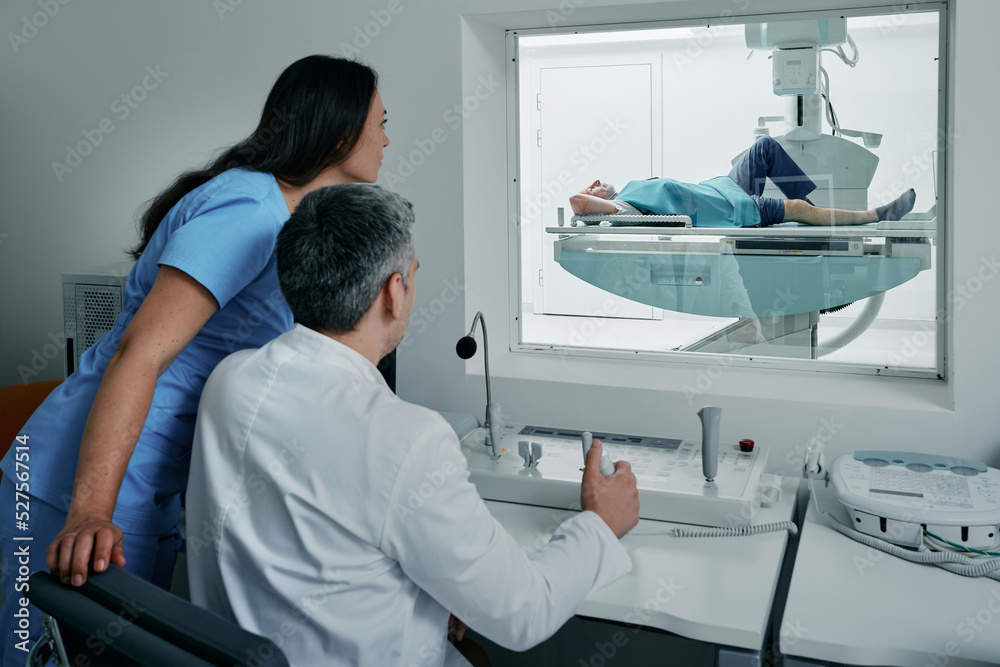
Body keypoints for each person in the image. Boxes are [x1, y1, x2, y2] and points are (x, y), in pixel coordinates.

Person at [0, 55, 388, 661]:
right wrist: (88, 512)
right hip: (73, 484)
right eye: (381, 123)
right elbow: (140, 355)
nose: (388, 138)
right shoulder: (249, 210)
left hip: (148, 485)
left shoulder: (284, 221)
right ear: (339, 133)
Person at [184, 184, 640, 666]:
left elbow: (307, 546)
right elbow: (523, 612)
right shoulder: (407, 439)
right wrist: (599, 524)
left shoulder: (228, 381)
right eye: (413, 277)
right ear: (393, 293)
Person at [569, 135, 916, 227]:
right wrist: (586, 198)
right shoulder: (620, 206)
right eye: (591, 184)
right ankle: (876, 215)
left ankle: (812, 211)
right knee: (791, 208)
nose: (595, 183)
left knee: (764, 147)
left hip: (723, 189)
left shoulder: (632, 187)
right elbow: (578, 204)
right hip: (731, 210)